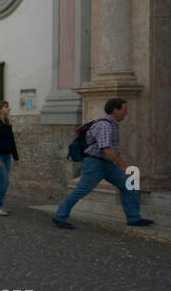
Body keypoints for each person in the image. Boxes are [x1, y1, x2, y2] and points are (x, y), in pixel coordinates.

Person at [53, 97, 155, 229]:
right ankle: (59, 216)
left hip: (106, 164)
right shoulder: (105, 125)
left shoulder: (111, 124)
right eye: (124, 110)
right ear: (115, 110)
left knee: (128, 185)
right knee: (81, 190)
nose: (126, 113)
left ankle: (134, 218)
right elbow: (106, 149)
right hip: (95, 164)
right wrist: (123, 165)